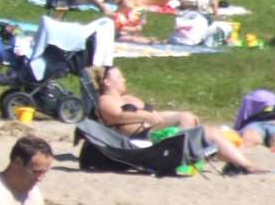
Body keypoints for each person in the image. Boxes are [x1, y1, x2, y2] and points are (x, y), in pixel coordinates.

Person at [93, 66, 263, 173]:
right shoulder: (106, 100)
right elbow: (116, 116)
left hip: (152, 130)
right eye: (119, 77)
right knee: (204, 132)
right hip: (142, 136)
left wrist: (169, 115)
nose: (124, 80)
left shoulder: (128, 98)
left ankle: (239, 163)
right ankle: (241, 164)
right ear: (108, 82)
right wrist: (144, 115)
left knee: (197, 124)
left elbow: (156, 113)